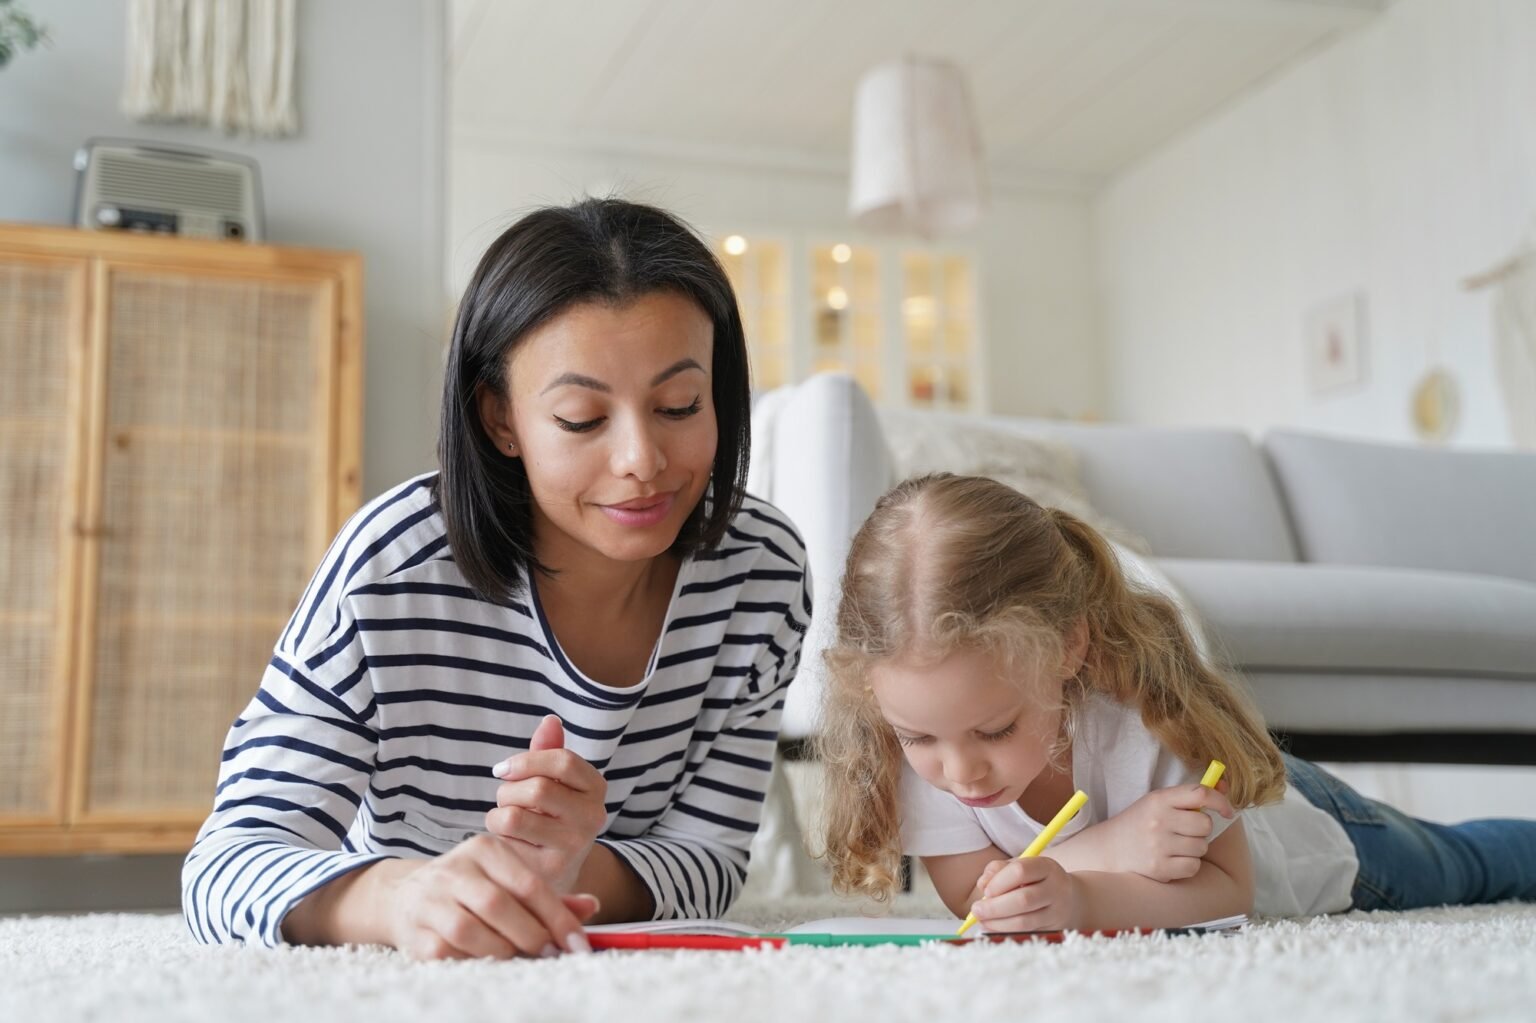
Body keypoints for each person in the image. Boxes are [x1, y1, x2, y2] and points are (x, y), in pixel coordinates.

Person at [182, 198, 810, 959]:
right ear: (500, 420)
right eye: (582, 418)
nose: (642, 460)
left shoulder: (761, 574)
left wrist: (563, 872)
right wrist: (403, 897)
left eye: (680, 405)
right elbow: (223, 867)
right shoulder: (390, 570)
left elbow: (709, 860)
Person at [816, 473, 1535, 932]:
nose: (960, 771)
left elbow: (1229, 889)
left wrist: (1083, 899)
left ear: (1068, 648)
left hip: (1316, 841)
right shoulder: (929, 739)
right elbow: (975, 902)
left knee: (1468, 864)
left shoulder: (1140, 721)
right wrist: (1108, 850)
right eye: (919, 738)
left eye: (997, 729)